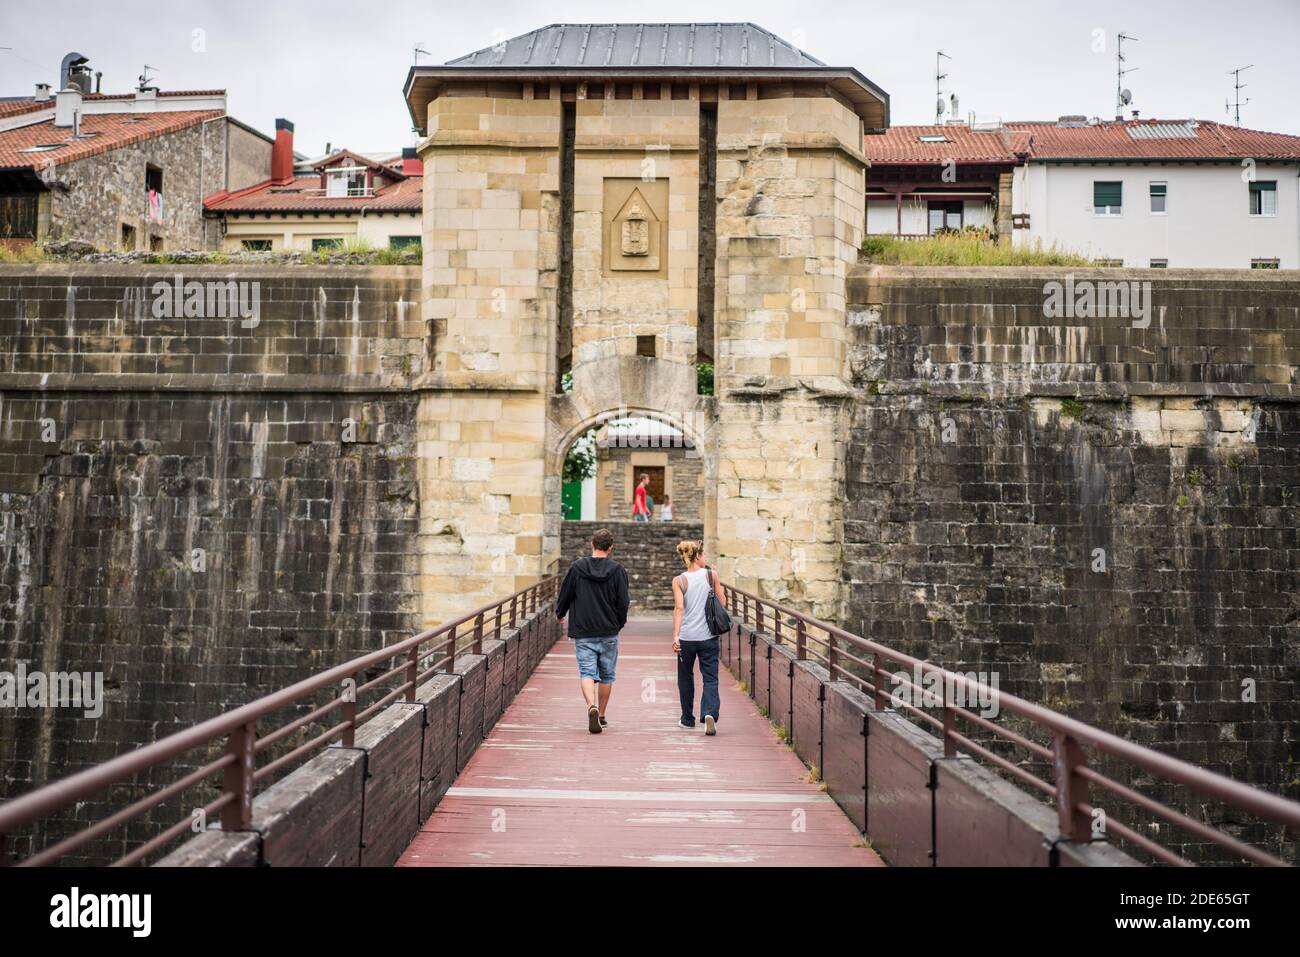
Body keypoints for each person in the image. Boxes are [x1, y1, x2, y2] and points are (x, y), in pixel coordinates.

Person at [555, 527, 630, 734]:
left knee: (587, 672)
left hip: (583, 630)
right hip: (608, 631)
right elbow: (623, 602)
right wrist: (619, 623)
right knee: (607, 675)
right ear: (611, 548)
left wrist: (560, 614)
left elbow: (566, 594)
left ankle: (591, 706)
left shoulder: (578, 568)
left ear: (592, 544)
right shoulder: (617, 570)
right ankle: (603, 715)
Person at [671, 539, 727, 735]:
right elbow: (722, 601)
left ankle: (687, 719)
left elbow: (679, 608)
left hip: (687, 637)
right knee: (710, 676)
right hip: (708, 636)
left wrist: (676, 636)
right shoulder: (712, 575)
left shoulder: (679, 580)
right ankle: (710, 712)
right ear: (698, 556)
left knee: (685, 677)